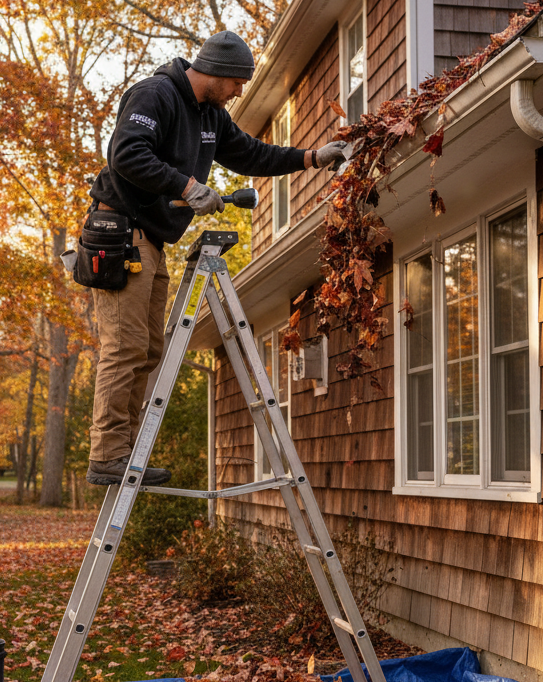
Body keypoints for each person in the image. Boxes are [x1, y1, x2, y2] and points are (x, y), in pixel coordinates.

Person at [83, 30, 348, 486]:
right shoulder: (156, 95)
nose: (241, 90)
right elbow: (126, 155)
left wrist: (311, 157)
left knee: (147, 350)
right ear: (218, 72)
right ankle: (107, 455)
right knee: (124, 348)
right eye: (238, 81)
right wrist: (187, 186)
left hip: (151, 241)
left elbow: (249, 153)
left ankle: (123, 454)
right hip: (121, 234)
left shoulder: (211, 115)